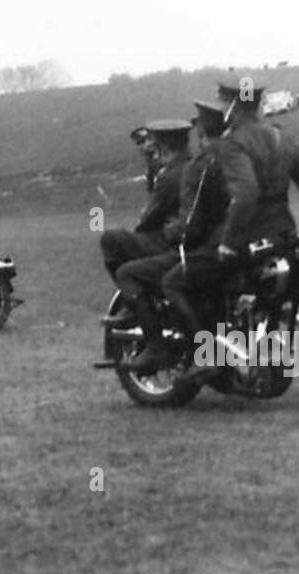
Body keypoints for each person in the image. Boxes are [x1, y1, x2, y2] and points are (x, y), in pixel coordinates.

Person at [163, 82, 299, 384]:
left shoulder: (232, 143)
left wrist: (229, 243)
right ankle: (256, 350)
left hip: (249, 242)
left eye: (222, 103)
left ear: (232, 107)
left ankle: (208, 357)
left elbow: (246, 193)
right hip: (283, 236)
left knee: (176, 279)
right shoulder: (284, 138)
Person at [115, 103, 231, 375]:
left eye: (149, 141)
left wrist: (172, 232)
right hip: (241, 237)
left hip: (208, 244)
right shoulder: (233, 158)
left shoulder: (199, 166)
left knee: (168, 281)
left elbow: (188, 223)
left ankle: (194, 353)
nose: (146, 147)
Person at [99, 120, 191, 321]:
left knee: (113, 241)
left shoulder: (170, 173)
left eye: (151, 141)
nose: (146, 147)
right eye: (141, 144)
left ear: (163, 145)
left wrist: (140, 228)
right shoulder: (189, 165)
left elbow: (151, 215)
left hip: (174, 240)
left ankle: (134, 302)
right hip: (184, 235)